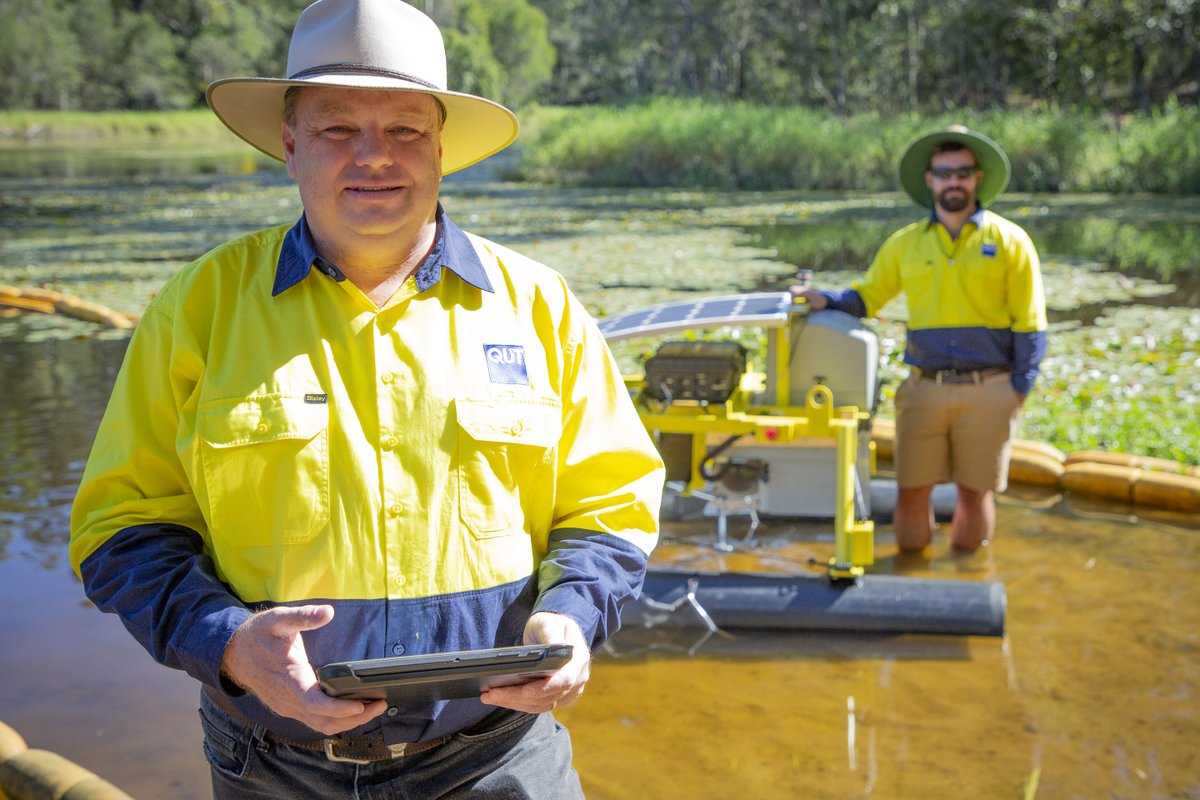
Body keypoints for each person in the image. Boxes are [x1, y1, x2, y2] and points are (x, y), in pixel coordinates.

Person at [68, 1, 664, 797]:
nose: (373, 157)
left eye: (405, 130)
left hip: (499, 760)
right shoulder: (200, 307)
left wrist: (573, 615)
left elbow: (611, 506)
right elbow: (121, 530)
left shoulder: (540, 305)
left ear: (442, 148)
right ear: (289, 144)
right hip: (270, 767)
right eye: (337, 129)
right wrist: (233, 643)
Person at [792, 125, 1046, 553]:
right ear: (929, 179)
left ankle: (970, 579)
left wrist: (1019, 388)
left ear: (977, 177)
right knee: (911, 491)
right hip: (924, 387)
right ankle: (912, 575)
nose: (954, 181)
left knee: (974, 493)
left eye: (962, 172)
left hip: (990, 388)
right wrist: (824, 299)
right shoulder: (905, 244)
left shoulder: (1009, 241)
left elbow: (1031, 324)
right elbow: (867, 298)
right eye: (944, 172)